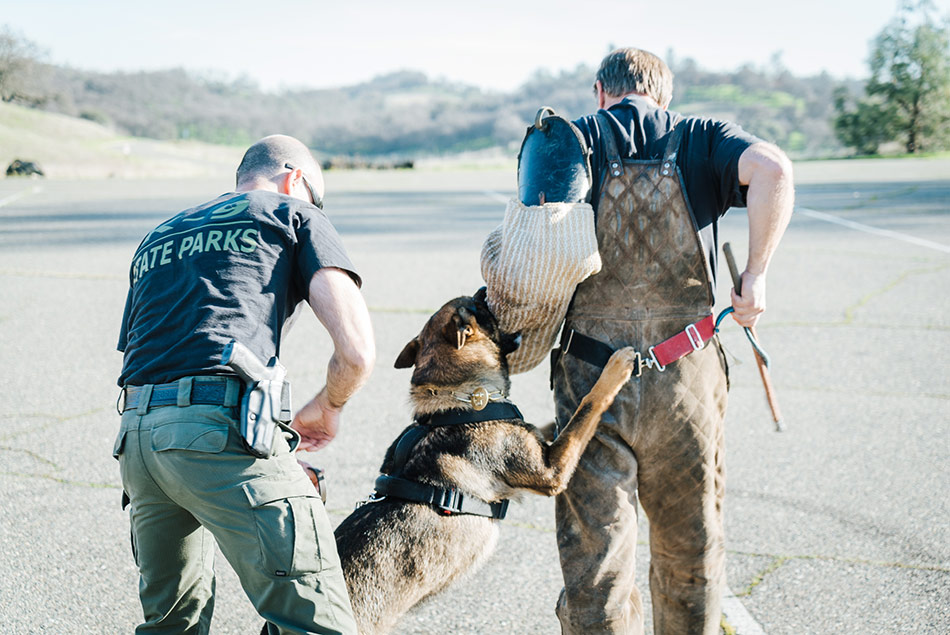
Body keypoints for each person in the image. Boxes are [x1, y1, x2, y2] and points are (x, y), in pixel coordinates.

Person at [546, 48, 794, 633]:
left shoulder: (568, 140)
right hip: (684, 378)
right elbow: (774, 170)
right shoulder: (701, 138)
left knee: (595, 568)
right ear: (665, 94)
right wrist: (754, 276)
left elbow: (534, 252)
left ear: (600, 93)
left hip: (590, 382)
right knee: (690, 557)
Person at [113, 134, 375, 634]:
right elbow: (357, 351)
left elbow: (143, 349)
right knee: (314, 621)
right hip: (218, 431)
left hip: (138, 442)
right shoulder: (293, 214)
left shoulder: (160, 234)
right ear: (295, 179)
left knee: (171, 625)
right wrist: (329, 404)